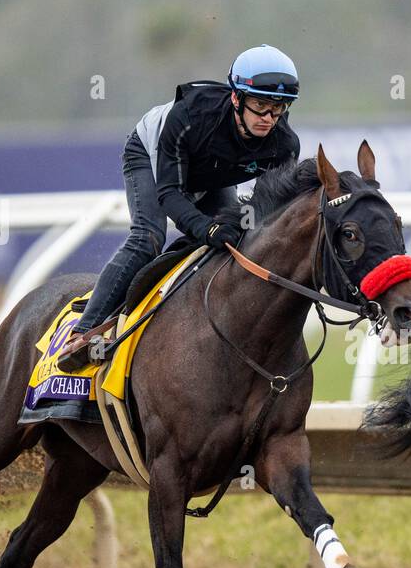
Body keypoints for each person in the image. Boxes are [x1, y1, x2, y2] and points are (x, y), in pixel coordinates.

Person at [56, 44, 302, 372]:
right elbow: (170, 194)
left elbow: (265, 214)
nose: (269, 119)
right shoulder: (190, 116)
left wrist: (233, 226)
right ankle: (85, 330)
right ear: (236, 98)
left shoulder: (285, 145)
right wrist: (207, 227)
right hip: (150, 154)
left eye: (279, 108)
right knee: (148, 239)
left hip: (212, 170)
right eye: (260, 106)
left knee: (236, 242)